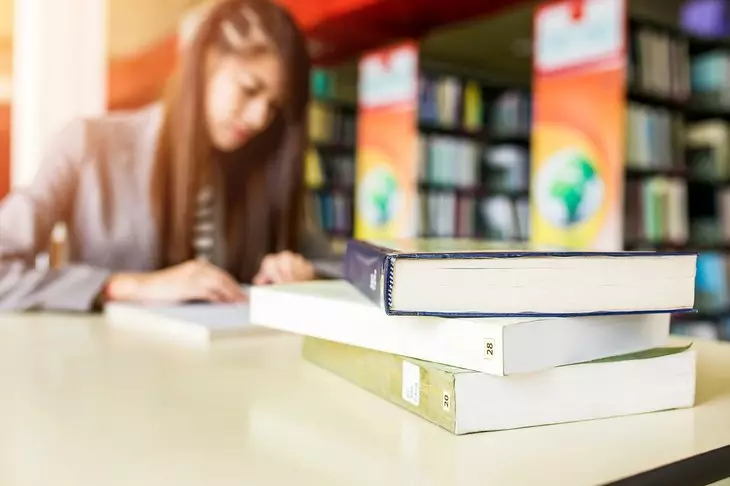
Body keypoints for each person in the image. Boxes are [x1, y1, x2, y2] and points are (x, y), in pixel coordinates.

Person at [0, 0, 334, 311]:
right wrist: (126, 287)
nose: (259, 118)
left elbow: (337, 264)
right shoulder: (86, 144)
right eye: (248, 89)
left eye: (274, 107)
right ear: (202, 63)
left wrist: (307, 276)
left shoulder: (257, 172)